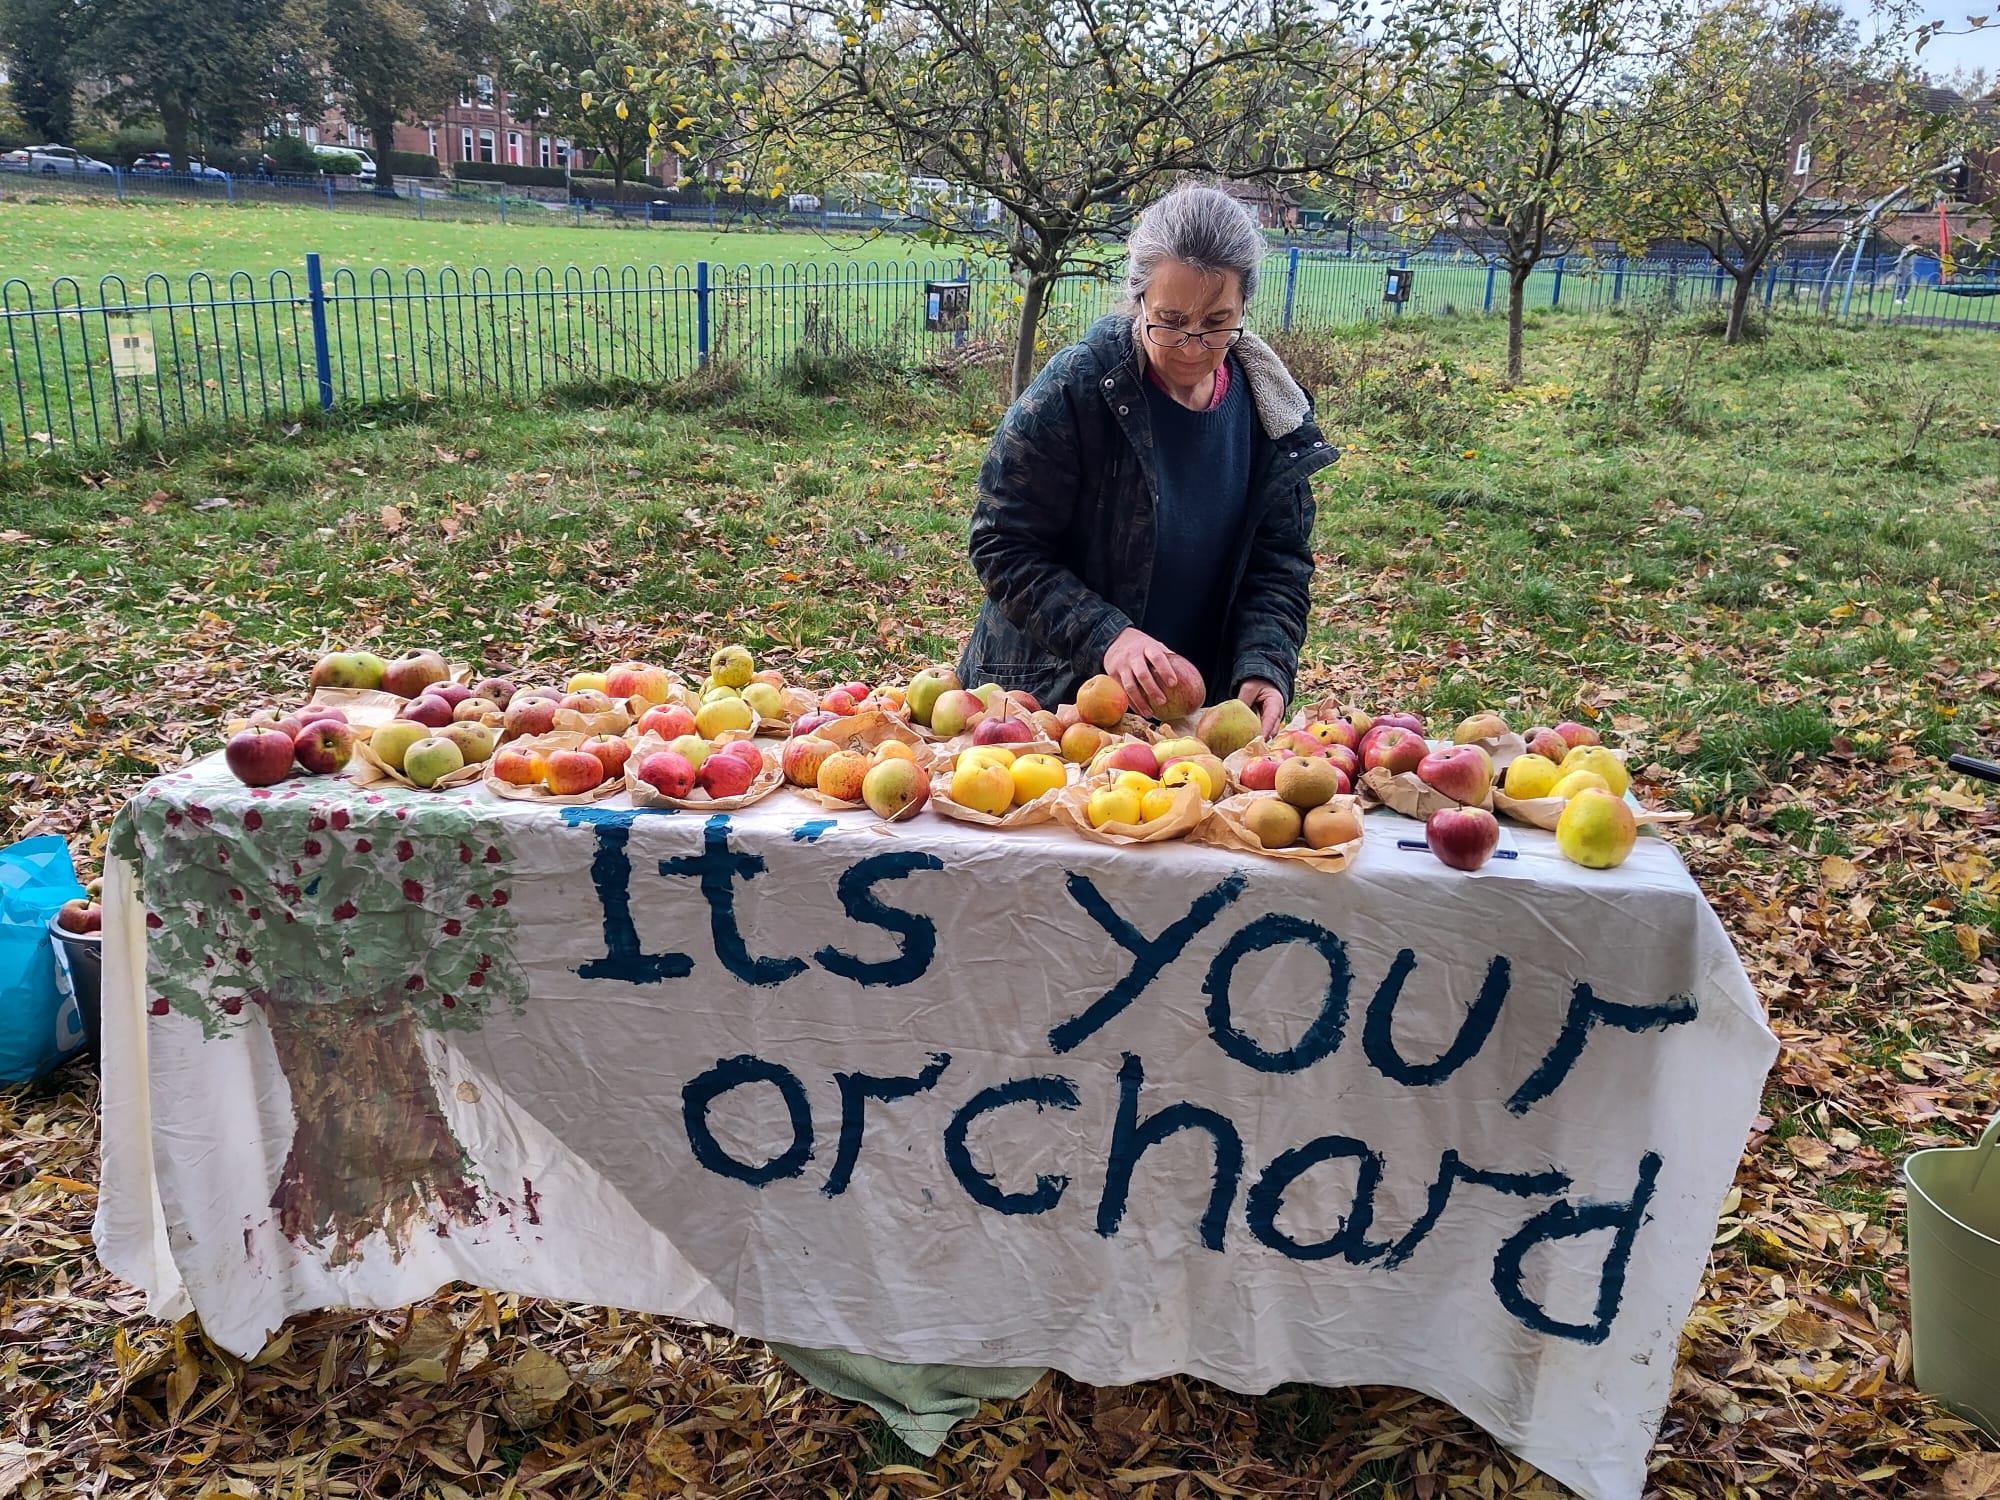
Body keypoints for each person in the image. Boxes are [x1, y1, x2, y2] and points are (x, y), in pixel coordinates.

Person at [957, 183, 1336, 735]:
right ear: (1138, 300)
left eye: (1216, 322)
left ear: (1244, 306)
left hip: (1188, 725)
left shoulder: (1270, 411)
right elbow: (1001, 545)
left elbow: (1277, 562)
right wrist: (1106, 636)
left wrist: (1264, 661)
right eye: (1171, 320)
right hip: (1050, 710)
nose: (1192, 346)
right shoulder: (1078, 389)